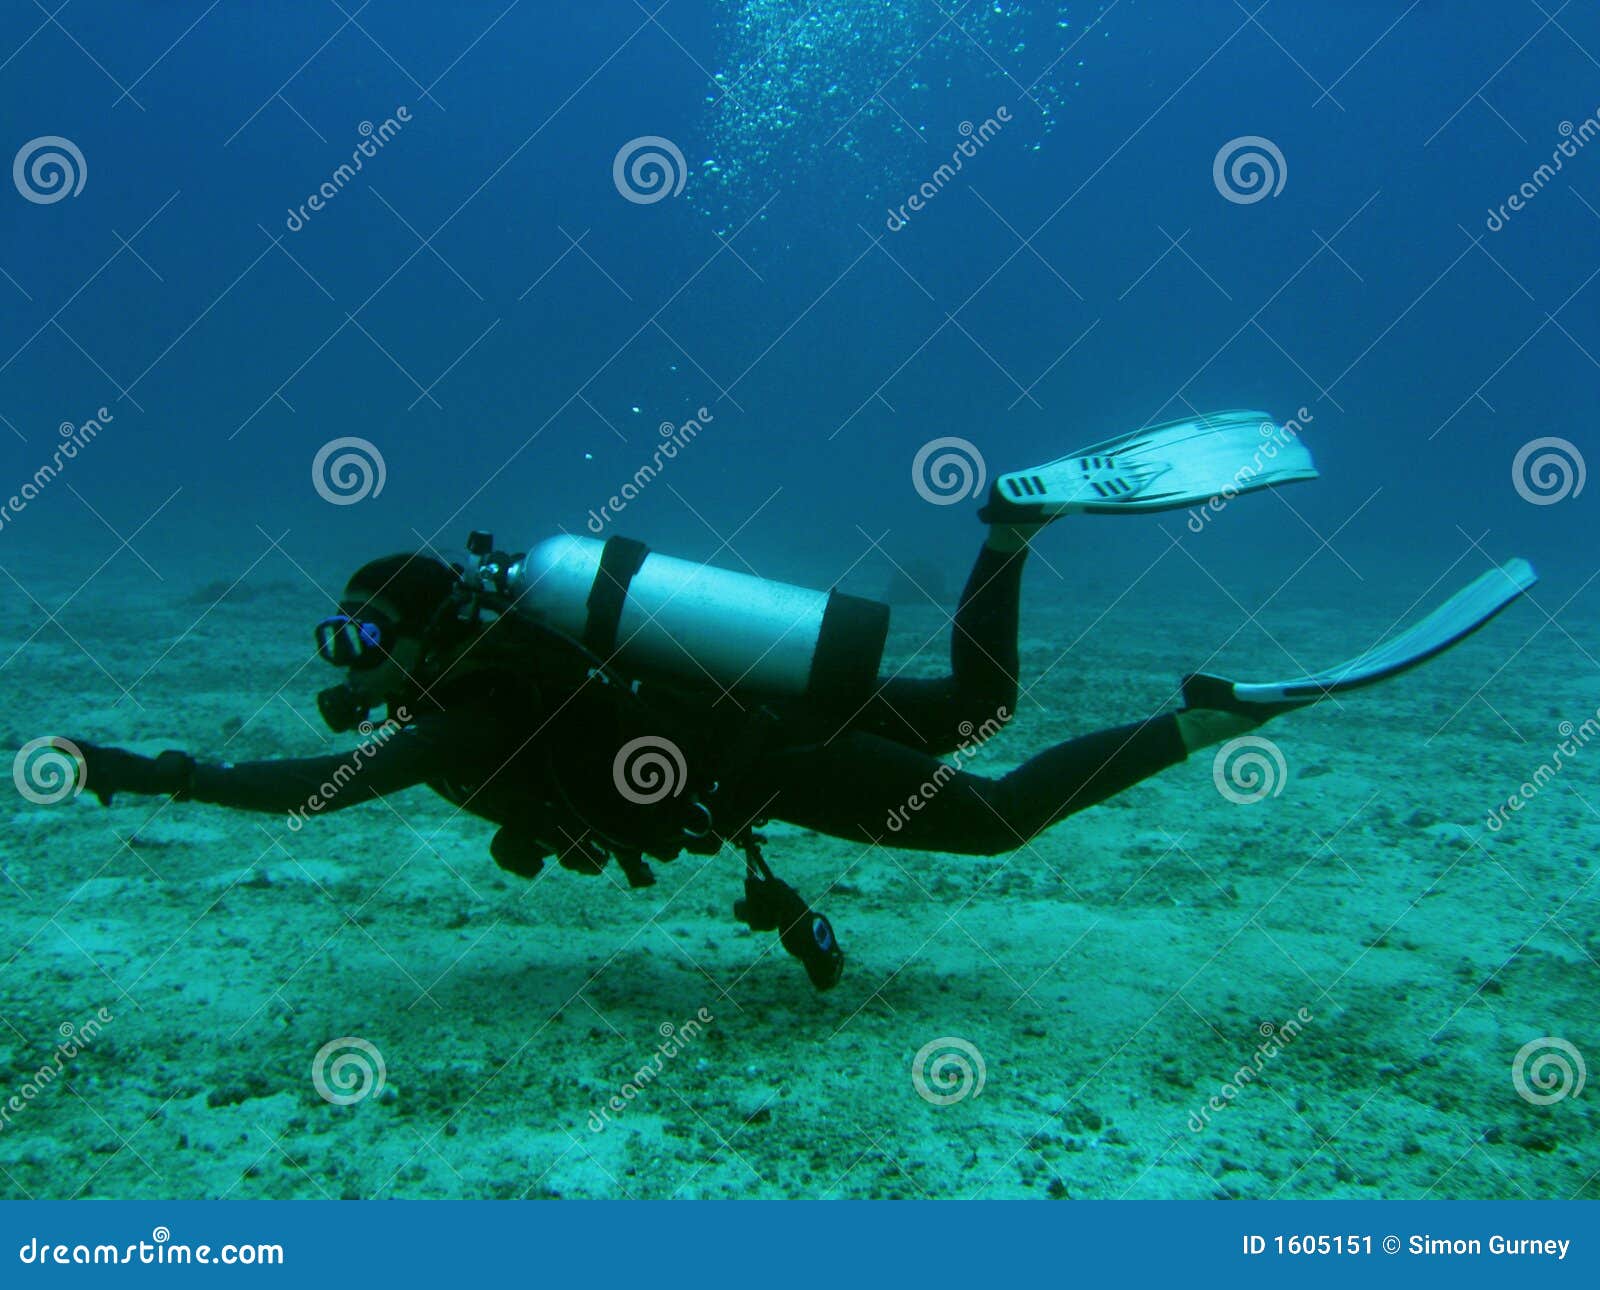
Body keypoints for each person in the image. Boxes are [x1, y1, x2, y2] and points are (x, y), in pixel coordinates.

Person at [46, 412, 1535, 988]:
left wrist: (140, 769)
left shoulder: (477, 714)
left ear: (413, 640)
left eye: (361, 640)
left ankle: (1213, 717)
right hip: (762, 725)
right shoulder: (524, 663)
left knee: (1004, 817)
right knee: (974, 694)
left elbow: (293, 791)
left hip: (771, 763)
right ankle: (1009, 533)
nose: (347, 669)